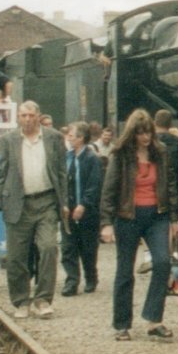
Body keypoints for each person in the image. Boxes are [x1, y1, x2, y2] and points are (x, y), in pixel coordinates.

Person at [98, 109, 178, 341]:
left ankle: (154, 320)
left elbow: (171, 186)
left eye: (148, 132)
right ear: (132, 133)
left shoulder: (161, 153)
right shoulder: (121, 155)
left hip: (157, 216)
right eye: (140, 133)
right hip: (128, 217)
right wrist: (106, 223)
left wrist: (175, 219)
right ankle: (122, 324)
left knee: (163, 263)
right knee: (125, 271)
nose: (145, 137)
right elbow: (109, 190)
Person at [0, 101, 66, 319]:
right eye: (23, 115)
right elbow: (2, 173)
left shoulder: (53, 138)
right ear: (18, 118)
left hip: (46, 202)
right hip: (18, 203)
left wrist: (65, 201)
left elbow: (61, 172)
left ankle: (43, 299)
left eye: (31, 115)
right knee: (17, 256)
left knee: (48, 248)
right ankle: (21, 301)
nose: (27, 119)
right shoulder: (8, 140)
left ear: (39, 116)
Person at [60, 122, 103, 296]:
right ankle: (71, 281)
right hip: (67, 211)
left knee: (88, 247)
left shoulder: (92, 159)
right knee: (68, 247)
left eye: (71, 135)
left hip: (88, 211)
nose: (69, 138)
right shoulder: (66, 157)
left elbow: (94, 184)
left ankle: (91, 277)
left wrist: (83, 204)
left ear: (81, 138)